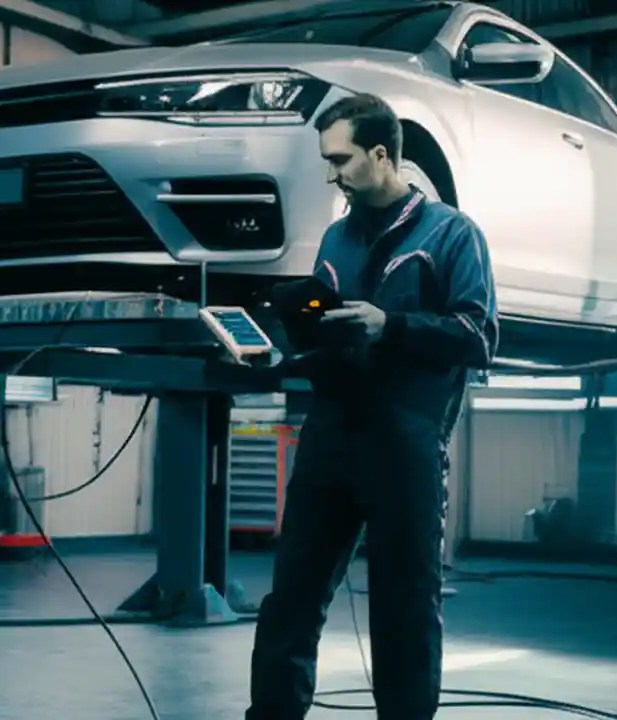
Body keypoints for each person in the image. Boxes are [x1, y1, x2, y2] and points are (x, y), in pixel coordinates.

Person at [246, 93, 499, 719]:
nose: (333, 173)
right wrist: (285, 342)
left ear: (381, 154)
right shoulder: (336, 236)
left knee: (405, 604)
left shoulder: (452, 234)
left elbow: (479, 336)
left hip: (405, 442)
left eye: (342, 159)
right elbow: (328, 326)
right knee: (292, 599)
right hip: (330, 434)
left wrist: (392, 326)